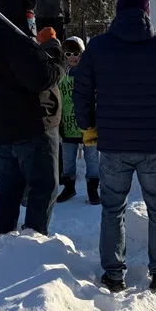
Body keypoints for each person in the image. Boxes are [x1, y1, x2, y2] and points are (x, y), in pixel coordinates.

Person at [73, 0, 156, 293]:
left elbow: (82, 89)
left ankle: (114, 275)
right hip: (155, 144)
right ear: (147, 12)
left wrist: (87, 126)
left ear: (118, 11)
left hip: (113, 145)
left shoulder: (98, 48)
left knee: (113, 209)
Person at [0, 0, 66, 236]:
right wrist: (54, 49)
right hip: (32, 127)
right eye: (29, 10)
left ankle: (2, 238)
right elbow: (43, 77)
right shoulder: (16, 41)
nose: (32, 16)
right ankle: (32, 243)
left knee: (9, 188)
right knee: (43, 187)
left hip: (0, 129)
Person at [56, 36, 100, 205]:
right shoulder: (61, 74)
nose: (72, 57)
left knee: (92, 158)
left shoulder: (90, 73)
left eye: (76, 53)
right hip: (67, 124)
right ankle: (69, 187)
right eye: (68, 54)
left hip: (88, 124)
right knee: (68, 158)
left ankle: (92, 189)